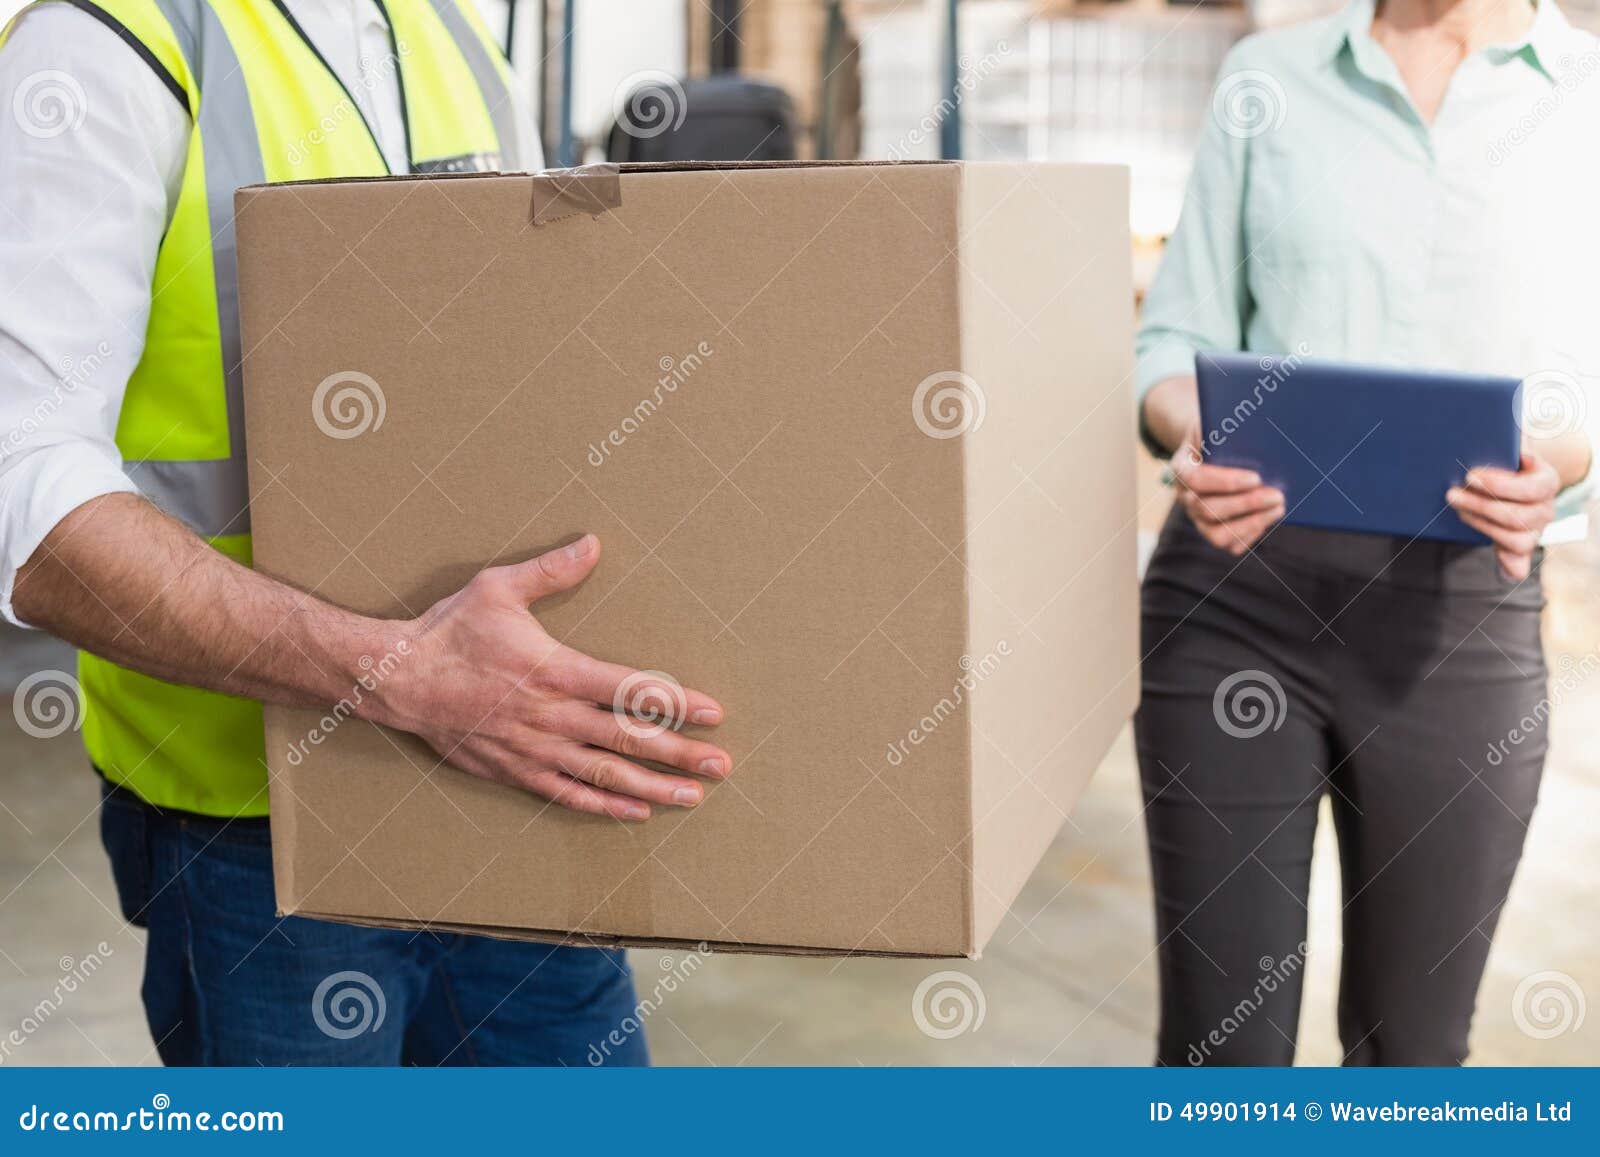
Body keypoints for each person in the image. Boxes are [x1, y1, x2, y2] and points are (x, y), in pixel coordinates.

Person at [0, 0, 732, 1066]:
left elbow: (541, 372)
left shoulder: (456, 38)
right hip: (253, 832)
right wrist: (399, 672)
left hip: (516, 775)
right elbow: (20, 490)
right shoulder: (107, 43)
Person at [1134, 0, 1599, 1065]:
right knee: (1222, 1056)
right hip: (1235, 598)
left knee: (1411, 1055)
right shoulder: (1270, 75)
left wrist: (1556, 464)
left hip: (1460, 618)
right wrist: (1191, 428)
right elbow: (1174, 337)